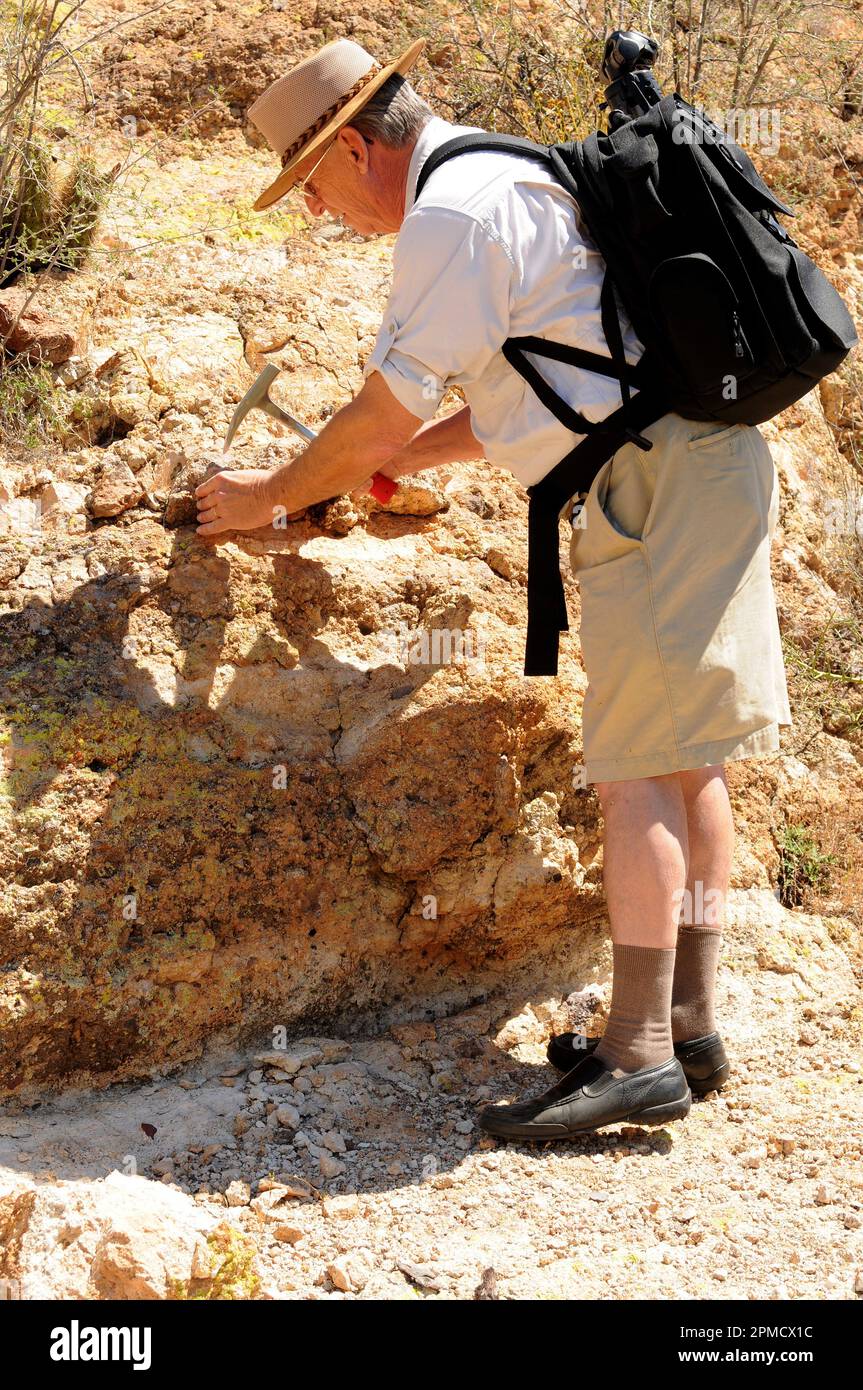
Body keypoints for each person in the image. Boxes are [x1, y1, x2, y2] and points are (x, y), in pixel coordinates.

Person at [195, 36, 793, 1139]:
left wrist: (271, 496)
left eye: (312, 185)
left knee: (633, 780)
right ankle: (691, 1020)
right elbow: (550, 384)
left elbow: (378, 409)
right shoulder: (510, 173)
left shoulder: (448, 218)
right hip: (703, 459)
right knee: (684, 759)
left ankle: (636, 1053)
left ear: (358, 149)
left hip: (650, 488)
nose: (317, 214)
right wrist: (396, 466)